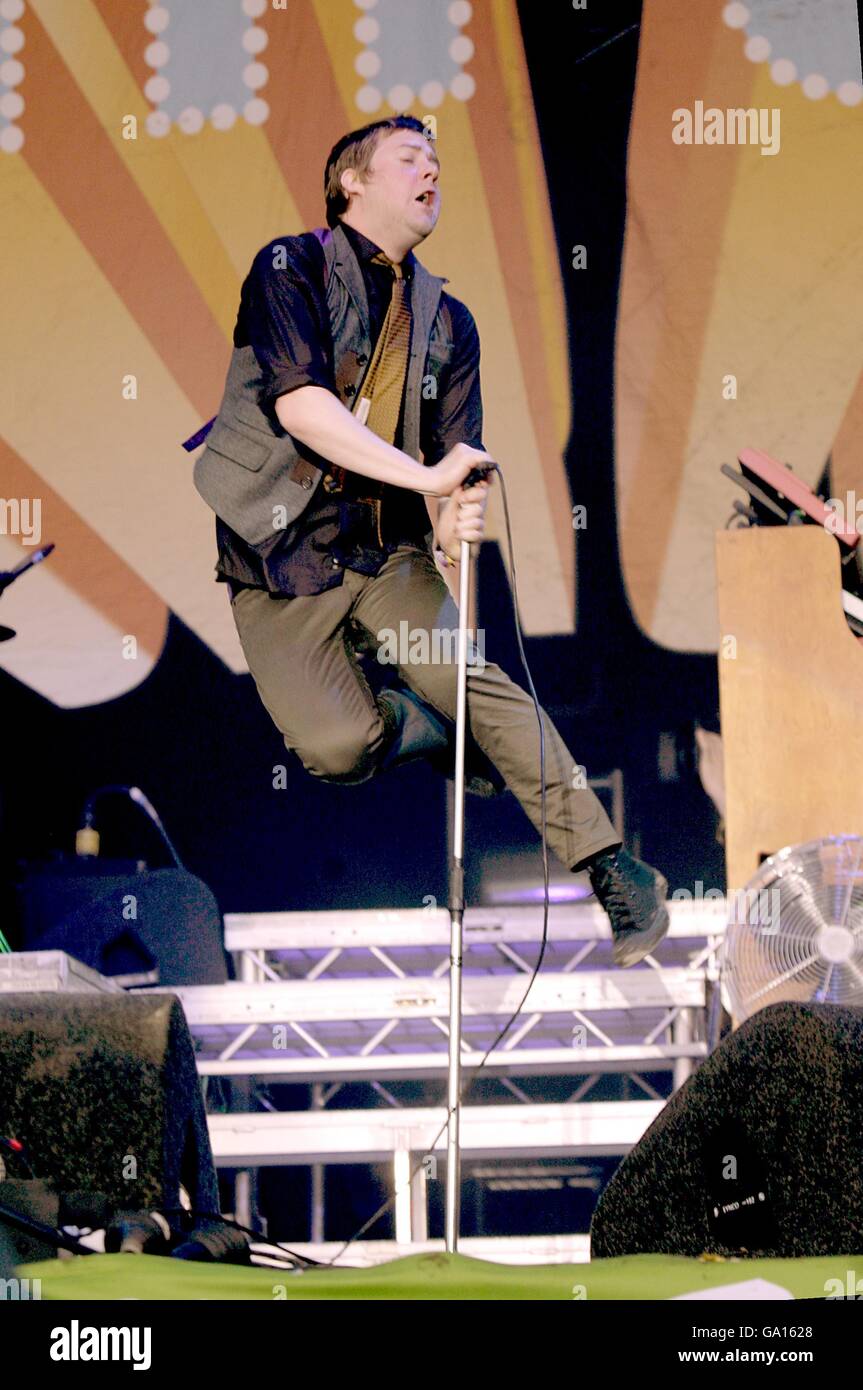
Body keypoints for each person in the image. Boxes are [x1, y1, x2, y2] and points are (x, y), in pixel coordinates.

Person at [193, 114, 668, 967]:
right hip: (278, 554)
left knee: (480, 685)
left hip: (383, 554)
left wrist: (454, 519)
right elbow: (303, 408)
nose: (431, 173)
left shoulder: (448, 321)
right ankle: (424, 729)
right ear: (352, 183)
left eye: (438, 163)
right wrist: (429, 483)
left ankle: (613, 871)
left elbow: (451, 466)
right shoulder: (288, 267)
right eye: (410, 159)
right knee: (336, 750)